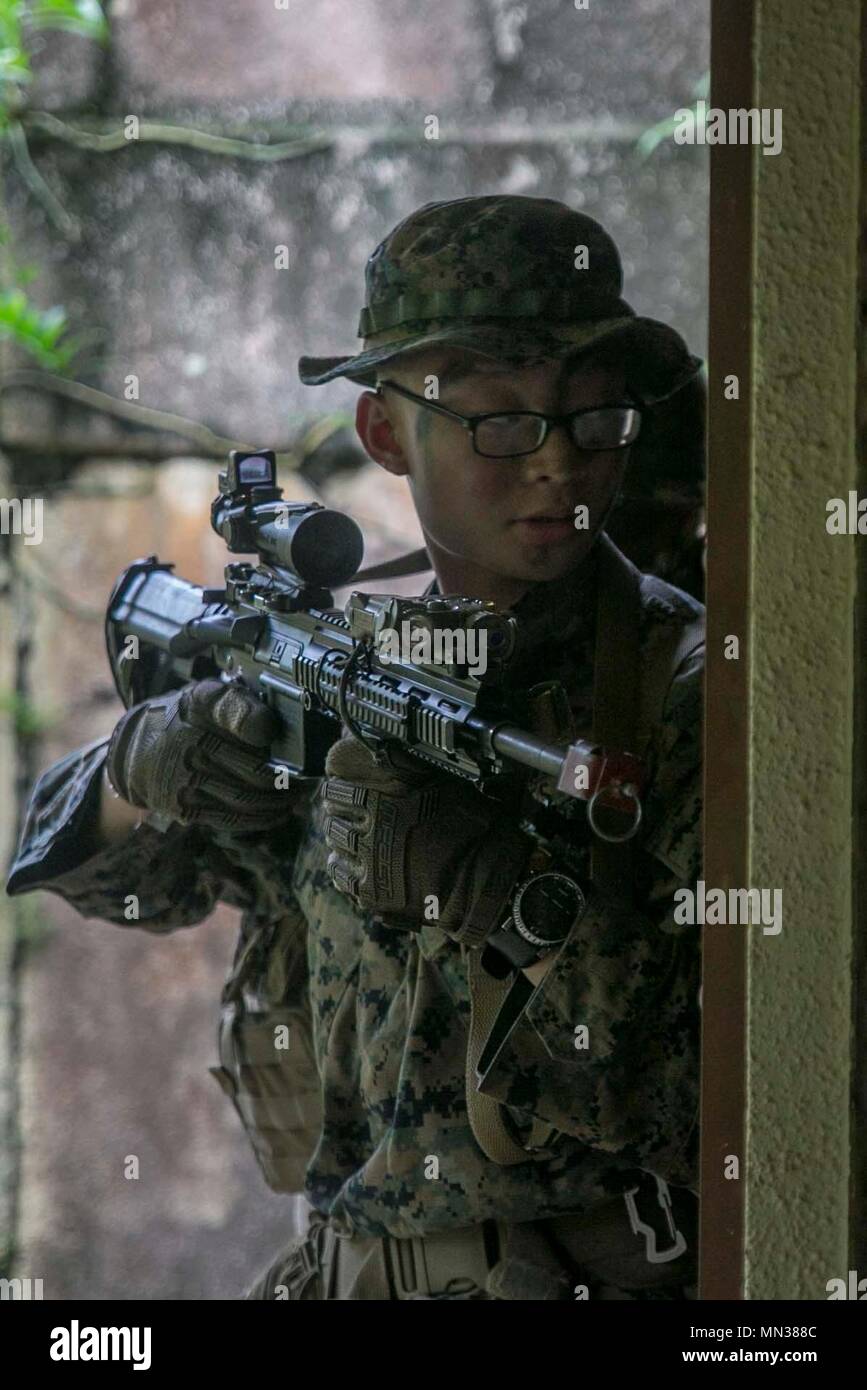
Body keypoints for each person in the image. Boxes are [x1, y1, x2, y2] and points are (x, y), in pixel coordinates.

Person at [6, 194, 705, 1300]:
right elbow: (110, 881)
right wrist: (149, 762)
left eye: (593, 418)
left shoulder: (688, 692)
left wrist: (500, 892)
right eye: (503, 421)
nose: (558, 466)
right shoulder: (340, 665)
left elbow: (749, 1087)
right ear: (387, 433)